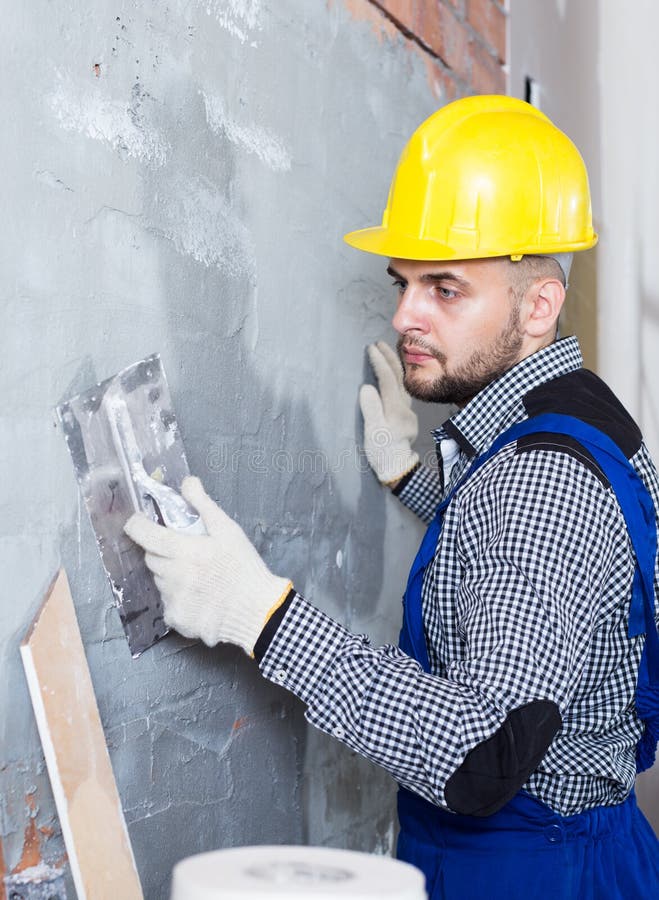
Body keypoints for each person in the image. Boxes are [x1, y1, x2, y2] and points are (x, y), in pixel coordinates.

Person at [125, 95, 659, 899]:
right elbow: (525, 568)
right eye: (402, 282)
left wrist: (260, 615)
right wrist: (411, 474)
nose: (404, 314)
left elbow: (483, 751)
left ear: (538, 306)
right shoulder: (578, 414)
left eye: (445, 288)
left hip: (532, 872)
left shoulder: (542, 480)